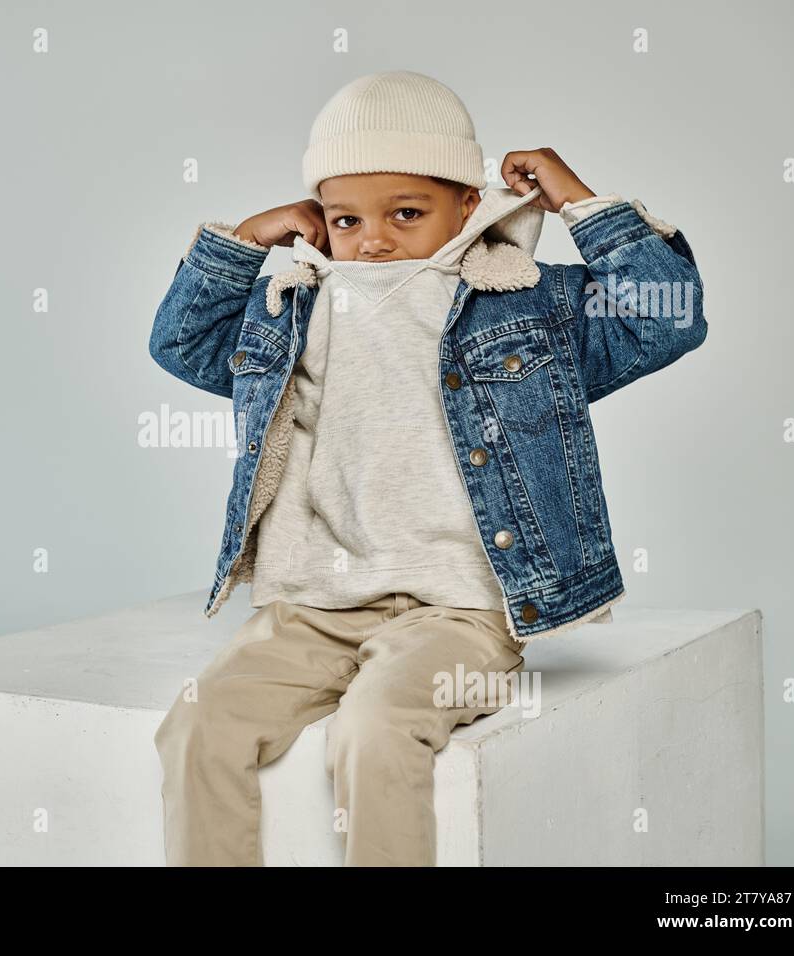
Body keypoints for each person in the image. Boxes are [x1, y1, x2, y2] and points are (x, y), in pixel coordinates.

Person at [147, 71, 707, 866]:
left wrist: (580, 201)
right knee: (198, 727)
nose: (373, 239)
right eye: (346, 218)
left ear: (468, 207)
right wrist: (242, 241)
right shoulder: (294, 303)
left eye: (406, 213)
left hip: (463, 616)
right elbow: (183, 344)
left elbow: (668, 316)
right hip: (315, 607)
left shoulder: (524, 302)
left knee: (374, 732)